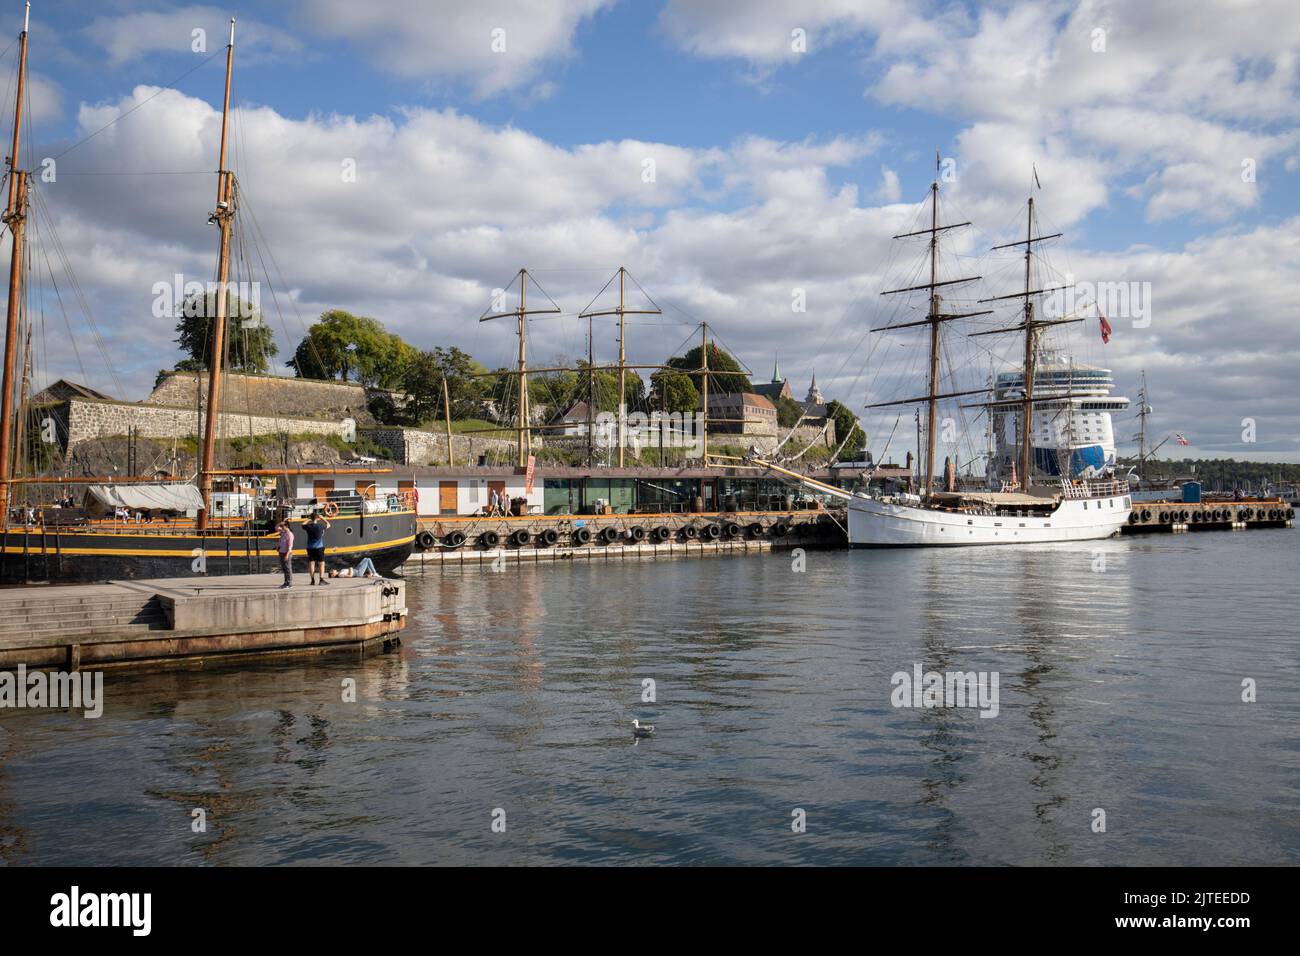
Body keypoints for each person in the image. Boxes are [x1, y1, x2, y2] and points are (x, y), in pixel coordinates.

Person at [304, 511, 331, 585]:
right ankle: (321, 580)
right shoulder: (320, 526)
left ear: (311, 518)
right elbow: (328, 525)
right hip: (319, 548)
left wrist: (309, 519)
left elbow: (302, 524)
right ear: (317, 518)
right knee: (321, 563)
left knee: (311, 564)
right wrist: (322, 518)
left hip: (310, 548)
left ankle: (312, 580)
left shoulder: (308, 526)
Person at [275, 519, 294, 589]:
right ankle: (286, 582)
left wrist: (287, 555)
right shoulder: (283, 532)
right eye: (282, 526)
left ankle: (289, 583)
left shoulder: (289, 534)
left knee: (288, 568)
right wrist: (280, 522)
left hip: (286, 553)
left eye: (283, 526)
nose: (282, 527)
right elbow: (276, 527)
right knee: (284, 568)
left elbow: (290, 546)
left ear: (287, 526)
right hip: (281, 552)